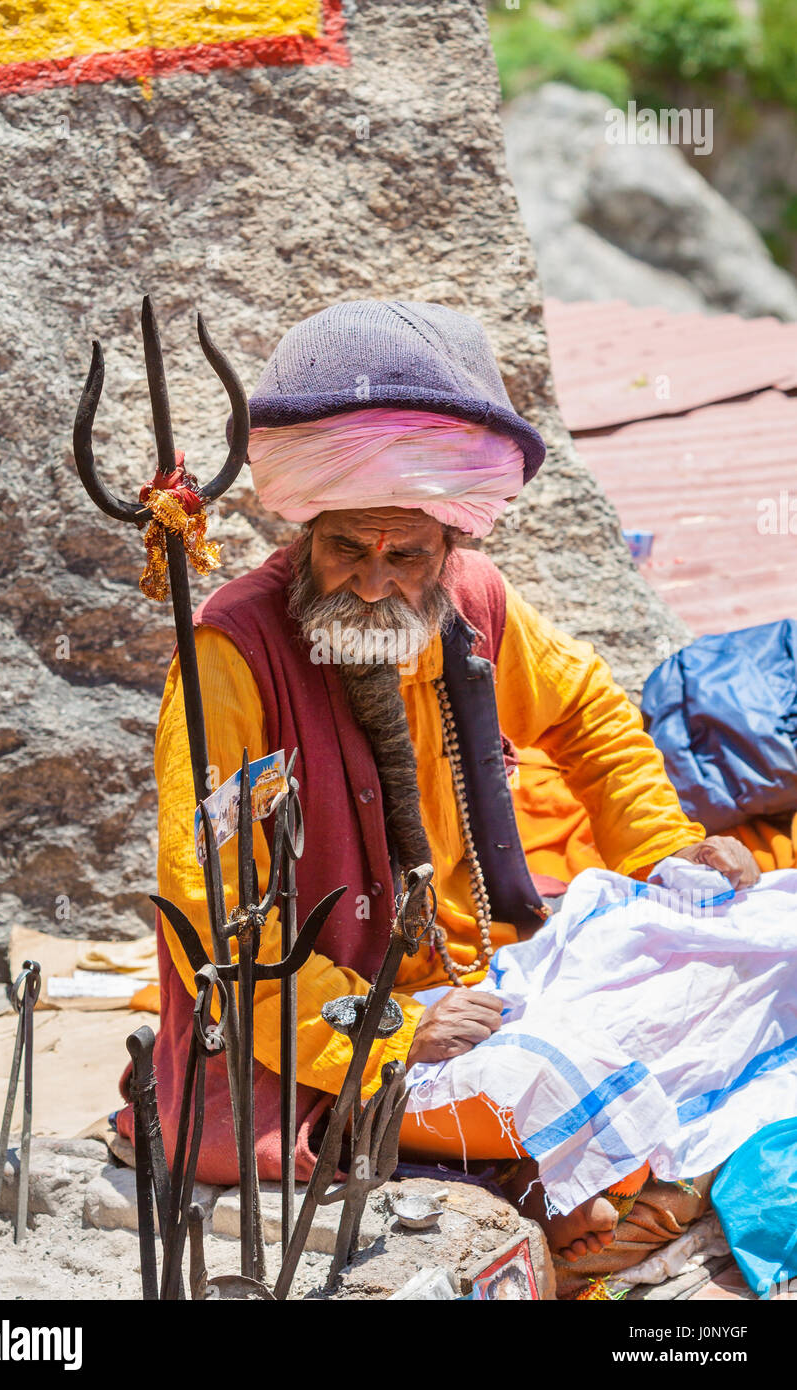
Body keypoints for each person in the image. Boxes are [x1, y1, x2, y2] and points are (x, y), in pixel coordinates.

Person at [116, 300, 759, 1264]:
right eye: (346, 548)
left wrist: (666, 852)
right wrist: (388, 1028)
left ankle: (598, 1179)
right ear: (306, 531)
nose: (373, 583)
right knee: (563, 1082)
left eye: (404, 554)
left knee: (762, 940)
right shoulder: (229, 656)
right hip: (306, 1051)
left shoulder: (475, 603)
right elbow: (214, 917)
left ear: (450, 542)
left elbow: (587, 712)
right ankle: (592, 1193)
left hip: (480, 983)